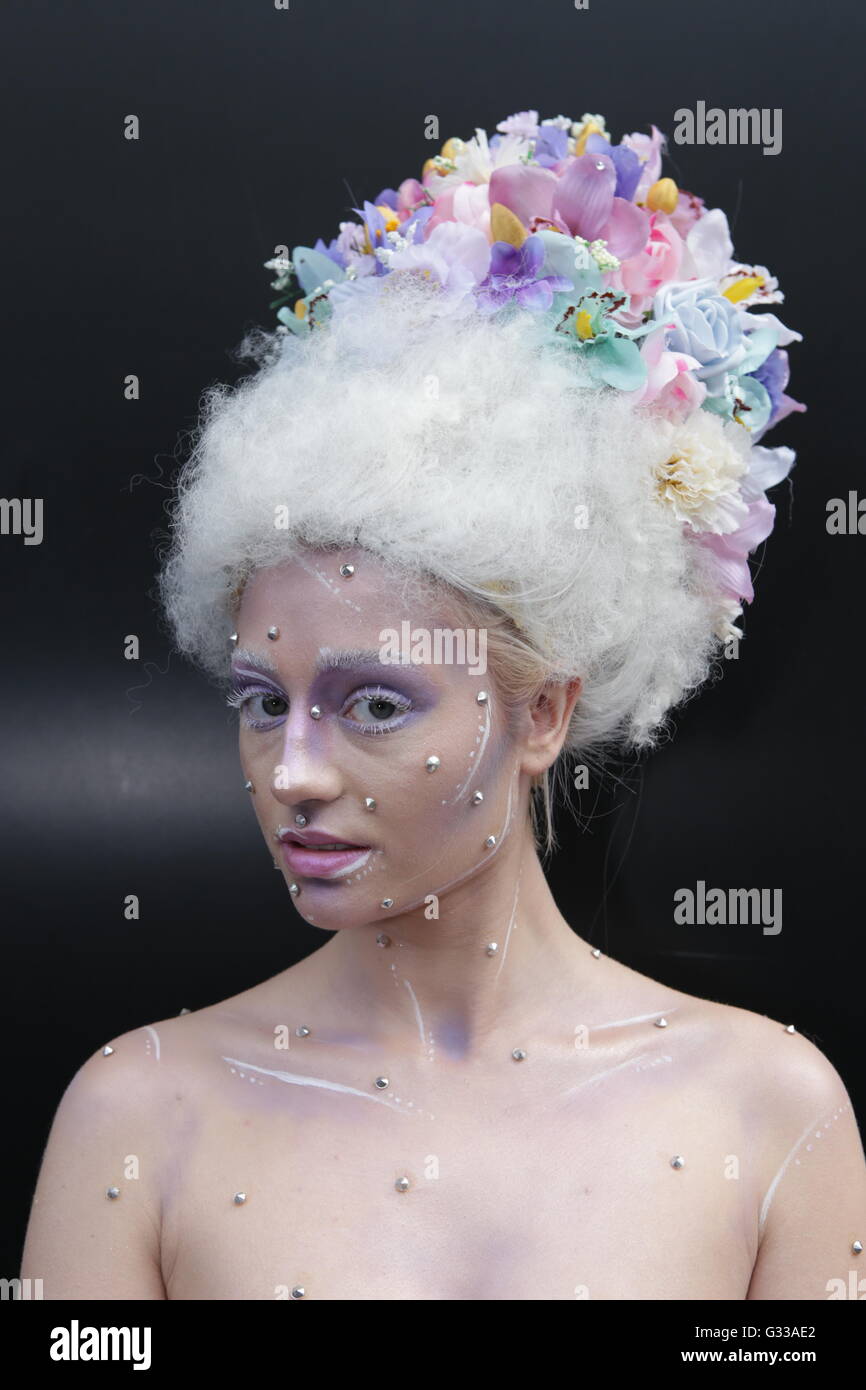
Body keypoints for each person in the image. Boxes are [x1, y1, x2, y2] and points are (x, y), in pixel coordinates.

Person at [21, 109, 866, 1300]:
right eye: (264, 702)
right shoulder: (139, 1115)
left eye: (372, 704)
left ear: (540, 716)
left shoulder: (766, 1111)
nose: (293, 773)